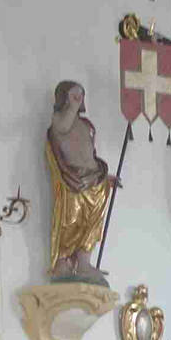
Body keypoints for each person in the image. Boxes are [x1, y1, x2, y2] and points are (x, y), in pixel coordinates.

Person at [45, 80, 116, 284]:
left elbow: (90, 153)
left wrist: (105, 178)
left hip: (95, 179)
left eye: (81, 95)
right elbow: (63, 127)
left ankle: (84, 261)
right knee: (71, 219)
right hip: (73, 181)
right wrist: (72, 107)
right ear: (63, 97)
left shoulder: (86, 126)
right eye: (73, 94)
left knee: (93, 221)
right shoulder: (59, 120)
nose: (79, 97)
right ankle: (63, 261)